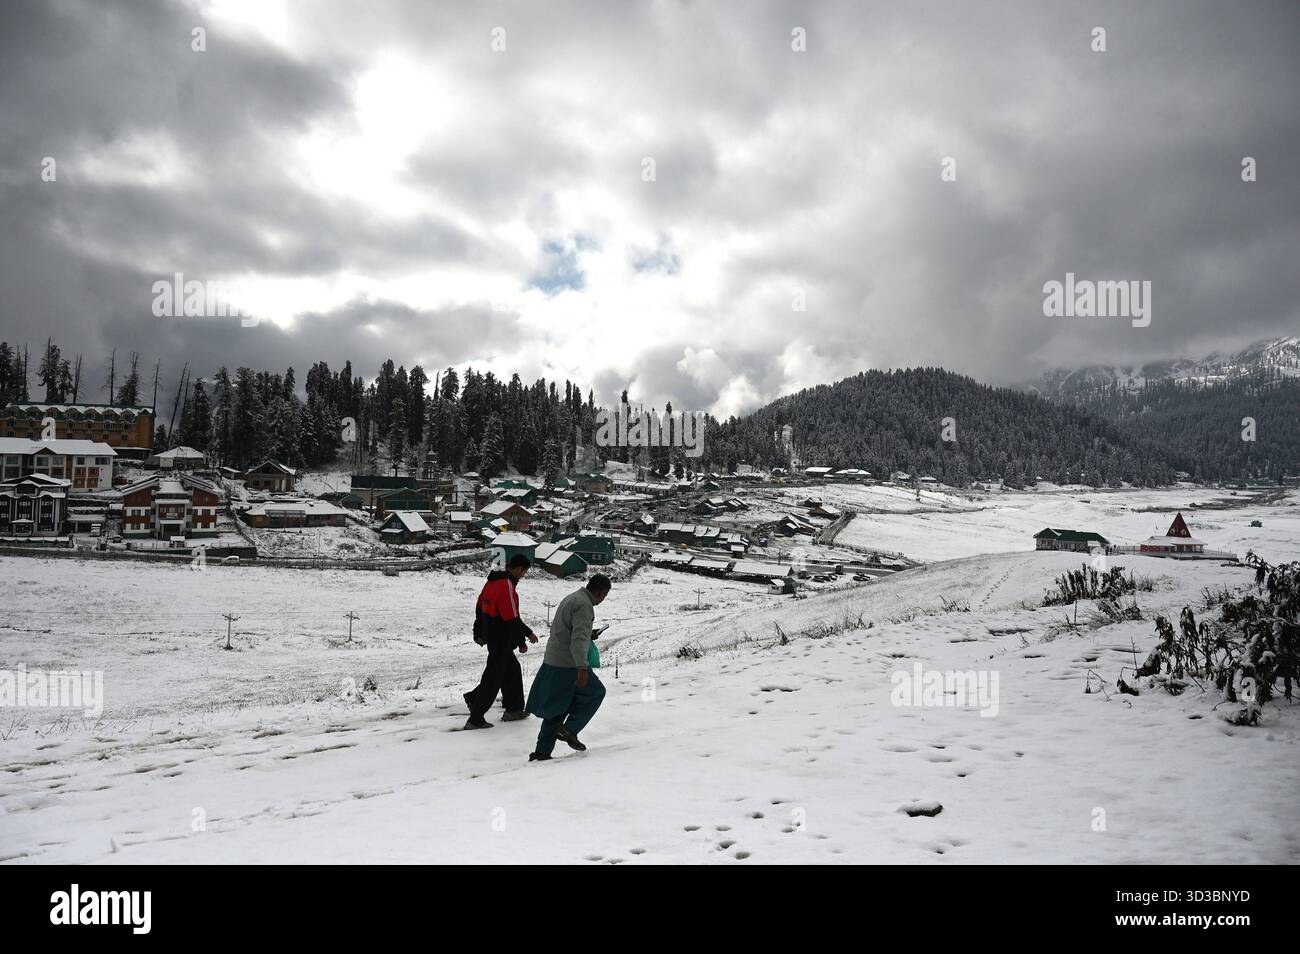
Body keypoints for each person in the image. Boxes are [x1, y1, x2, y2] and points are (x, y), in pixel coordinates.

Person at [525, 574, 611, 760]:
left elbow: (572, 631)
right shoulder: (584, 606)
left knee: (558, 707)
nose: (603, 599)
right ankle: (569, 729)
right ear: (599, 592)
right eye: (604, 595)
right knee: (596, 692)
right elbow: (578, 639)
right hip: (569, 664)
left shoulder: (572, 598)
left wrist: (589, 634)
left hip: (554, 661)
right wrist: (582, 668)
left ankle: (542, 753)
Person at [463, 554, 538, 729]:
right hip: (501, 638)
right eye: (524, 572)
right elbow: (511, 618)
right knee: (493, 679)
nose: (524, 575)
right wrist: (521, 642)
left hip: (492, 635)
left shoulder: (492, 581)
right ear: (519, 569)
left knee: (511, 670)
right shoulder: (506, 585)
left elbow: (480, 607)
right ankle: (475, 718)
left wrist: (479, 632)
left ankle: (514, 709)